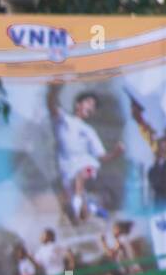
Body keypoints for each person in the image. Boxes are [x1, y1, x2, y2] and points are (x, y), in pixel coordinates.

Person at [48, 85, 124, 222]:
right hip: (66, 169)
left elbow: (102, 156)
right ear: (78, 104)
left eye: (94, 106)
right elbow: (51, 104)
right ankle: (90, 209)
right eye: (89, 103)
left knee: (82, 173)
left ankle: (81, 208)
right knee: (78, 207)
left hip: (87, 165)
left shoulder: (89, 131)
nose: (91, 108)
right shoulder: (64, 120)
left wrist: (116, 153)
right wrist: (54, 88)